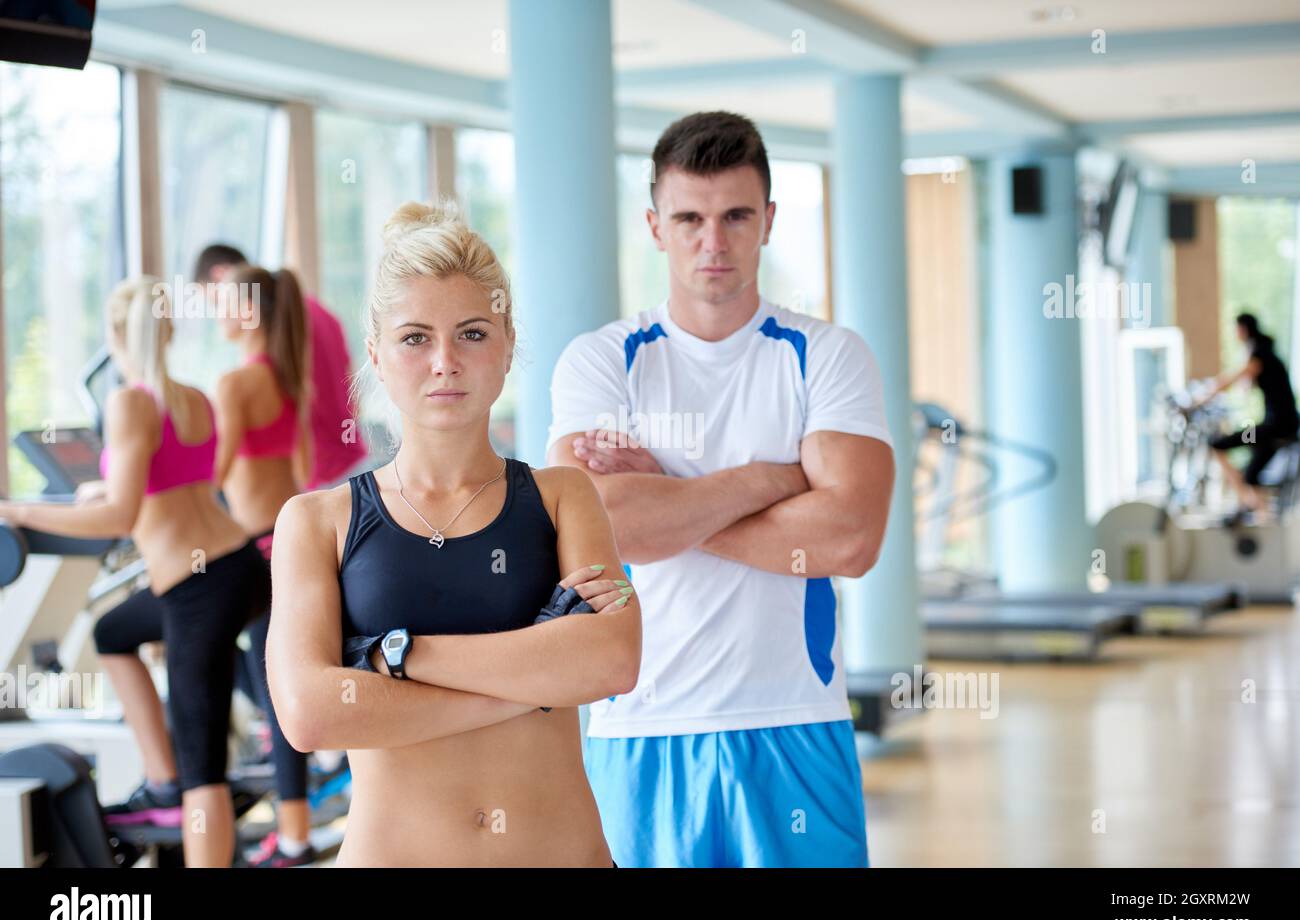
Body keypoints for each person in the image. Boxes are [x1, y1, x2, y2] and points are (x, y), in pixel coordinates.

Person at [546, 111, 894, 867]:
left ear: (768, 220)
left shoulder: (826, 356)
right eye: (690, 218)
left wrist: (664, 501)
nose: (714, 241)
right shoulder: (601, 361)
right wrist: (776, 479)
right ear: (654, 225)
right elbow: (592, 530)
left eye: (737, 215)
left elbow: (852, 538)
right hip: (640, 728)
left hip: (796, 722)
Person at [266, 199, 641, 867]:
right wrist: (535, 675)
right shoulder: (317, 522)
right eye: (415, 337)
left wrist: (399, 656)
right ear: (377, 355)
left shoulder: (564, 496)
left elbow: (611, 662)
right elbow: (310, 713)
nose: (445, 360)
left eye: (471, 332)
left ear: (507, 345)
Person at [0, 278, 270, 867]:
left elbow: (119, 515)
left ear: (116, 336)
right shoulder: (193, 397)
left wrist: (15, 509)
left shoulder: (128, 401)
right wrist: (105, 484)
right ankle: (161, 780)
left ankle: (183, 790)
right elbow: (172, 481)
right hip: (239, 565)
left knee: (208, 773)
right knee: (113, 632)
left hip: (198, 592)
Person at [211, 264, 314, 866]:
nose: (217, 312)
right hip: (289, 540)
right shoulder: (286, 377)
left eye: (224, 302)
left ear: (247, 311)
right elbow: (296, 471)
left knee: (273, 692)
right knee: (279, 686)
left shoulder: (235, 384)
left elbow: (214, 475)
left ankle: (295, 836)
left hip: (258, 548)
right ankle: (297, 828)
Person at [194, 244, 367, 489]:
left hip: (320, 477)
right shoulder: (314, 312)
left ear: (219, 275)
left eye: (216, 301)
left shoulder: (259, 363)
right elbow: (354, 394)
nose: (217, 314)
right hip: (352, 462)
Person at [1202, 312, 1300, 523]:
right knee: (1251, 474)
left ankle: (1247, 502)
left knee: (1218, 444)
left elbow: (1236, 377)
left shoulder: (1260, 353)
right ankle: (1260, 516)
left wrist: (1205, 395)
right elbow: (1244, 385)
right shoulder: (1264, 351)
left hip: (1278, 426)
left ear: (1244, 329)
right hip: (1281, 424)